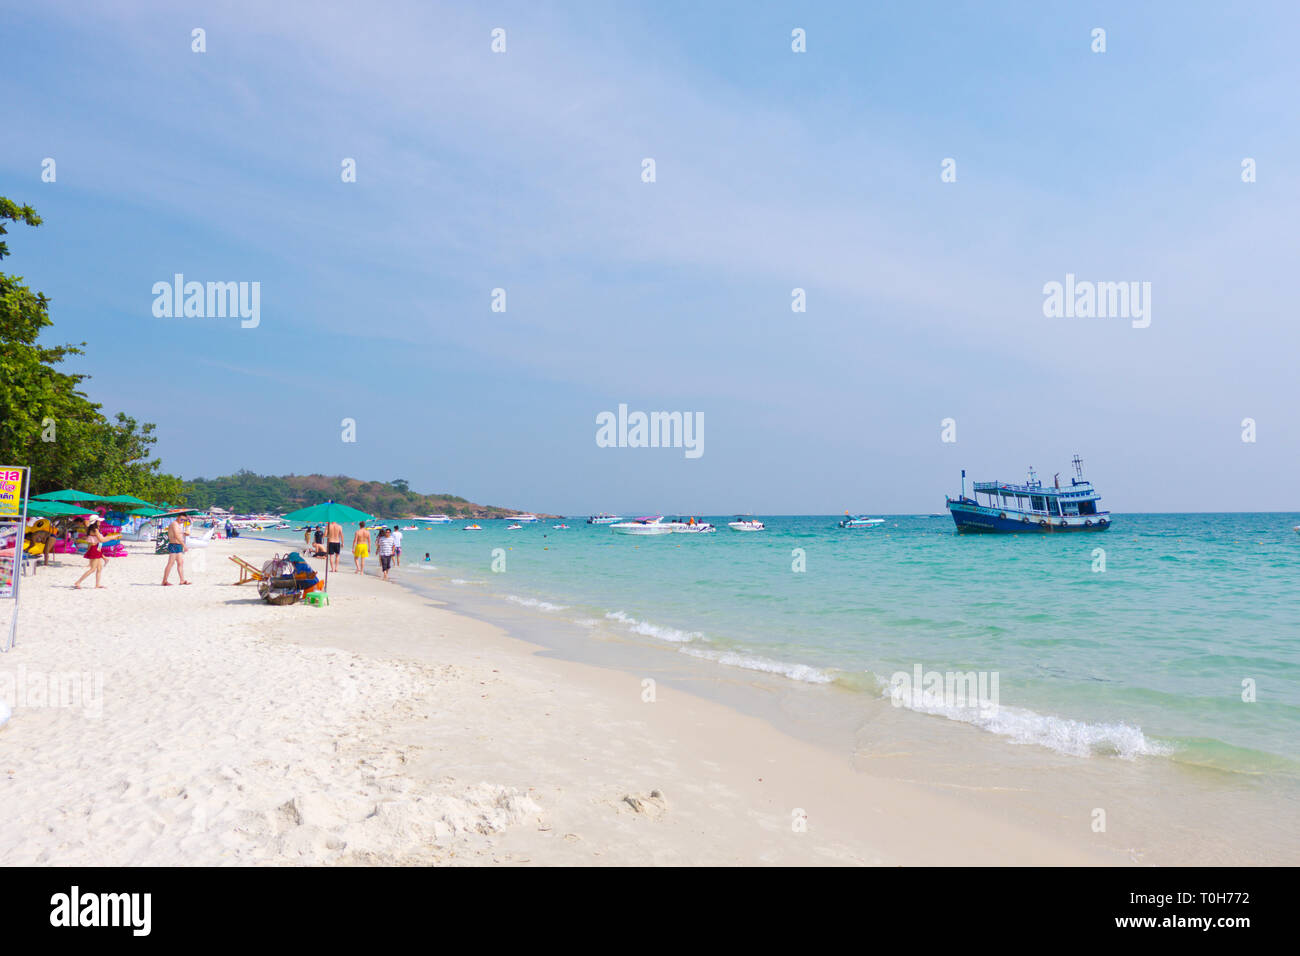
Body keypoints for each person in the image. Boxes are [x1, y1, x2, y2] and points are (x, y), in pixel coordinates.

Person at [73, 517, 107, 589]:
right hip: (95, 548)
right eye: (98, 521)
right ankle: (78, 582)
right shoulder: (94, 530)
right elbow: (102, 539)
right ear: (95, 521)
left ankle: (97, 584)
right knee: (93, 569)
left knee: (99, 568)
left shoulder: (93, 529)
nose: (100, 522)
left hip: (96, 547)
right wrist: (112, 537)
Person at [162, 516, 191, 585]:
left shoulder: (178, 525)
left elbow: (178, 534)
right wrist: (184, 545)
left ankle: (182, 580)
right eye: (181, 519)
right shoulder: (174, 524)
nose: (182, 521)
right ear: (177, 518)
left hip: (178, 546)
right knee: (171, 563)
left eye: (184, 520)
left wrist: (184, 533)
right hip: (174, 545)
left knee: (180, 562)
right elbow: (176, 535)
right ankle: (164, 581)